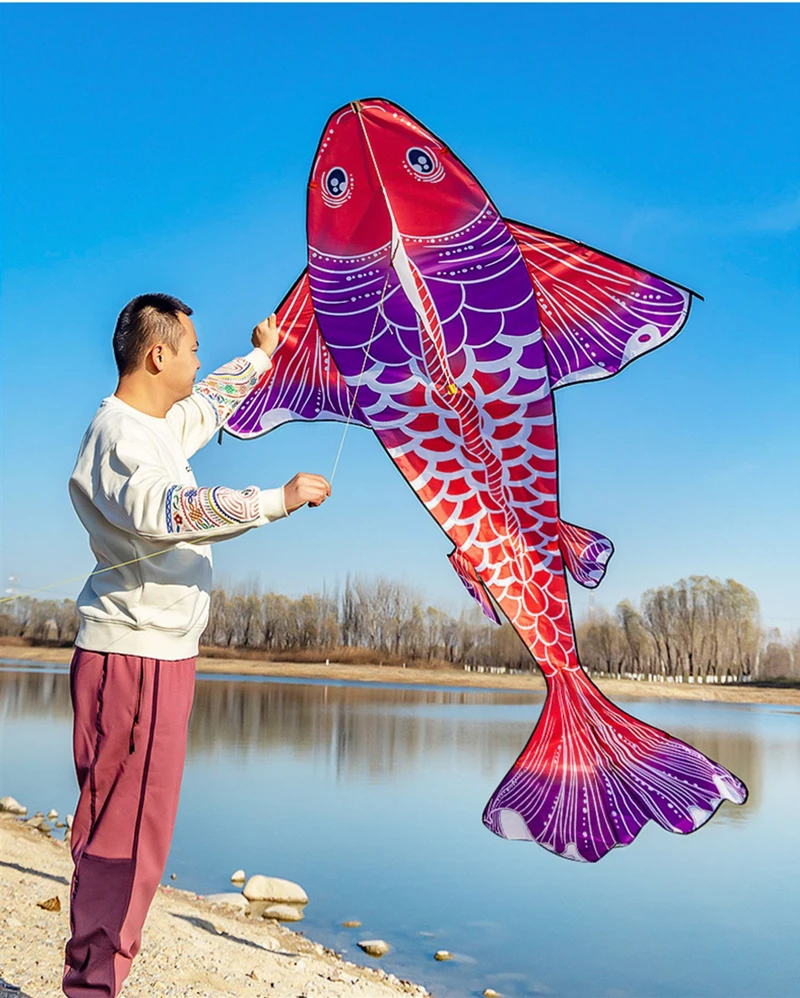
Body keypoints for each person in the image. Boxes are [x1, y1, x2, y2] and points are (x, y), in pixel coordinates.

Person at [63, 293, 330, 996]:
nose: (198, 359)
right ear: (158, 355)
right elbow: (172, 511)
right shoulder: (120, 438)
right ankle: (92, 986)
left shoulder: (151, 428)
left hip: (155, 659)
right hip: (137, 662)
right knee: (127, 845)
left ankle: (91, 978)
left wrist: (264, 354)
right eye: (191, 347)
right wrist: (276, 499)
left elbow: (211, 402)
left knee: (123, 836)